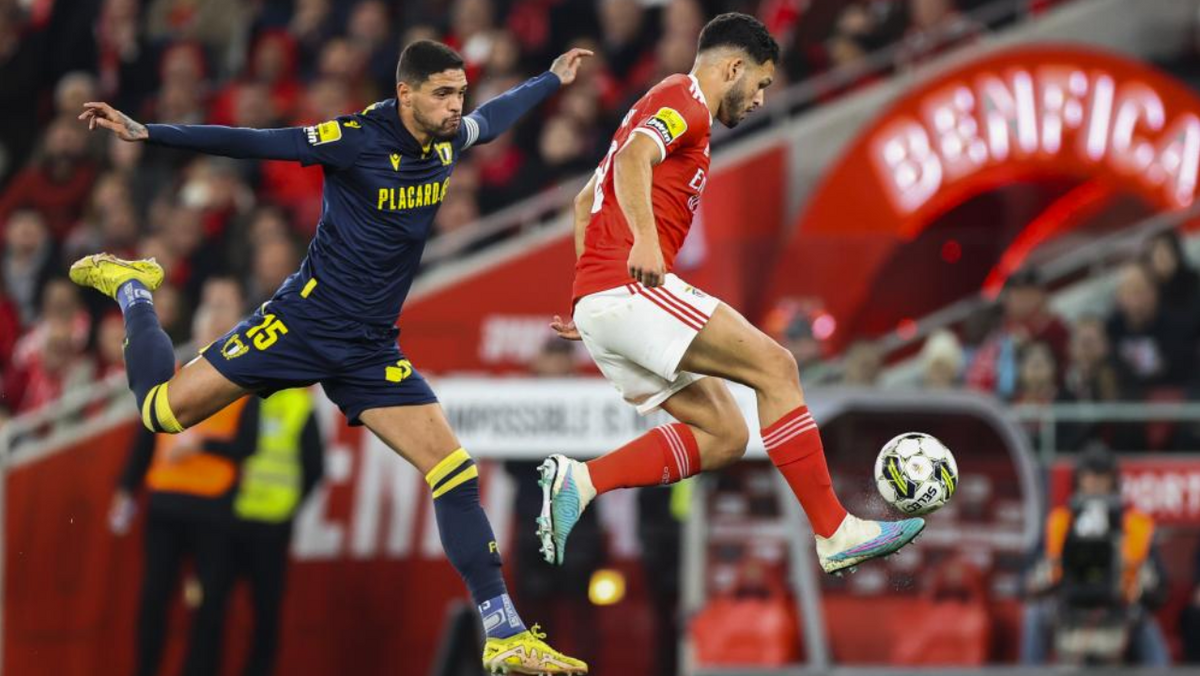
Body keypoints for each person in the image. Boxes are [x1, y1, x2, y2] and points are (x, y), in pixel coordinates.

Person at [75, 39, 592, 675]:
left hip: (369, 347)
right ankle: (133, 286)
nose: (458, 107)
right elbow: (261, 142)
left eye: (461, 92)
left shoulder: (449, 137)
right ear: (405, 94)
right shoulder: (356, 137)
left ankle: (504, 630)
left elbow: (498, 116)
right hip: (301, 324)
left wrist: (551, 78)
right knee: (160, 413)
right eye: (443, 94)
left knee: (453, 469)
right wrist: (149, 132)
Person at [540, 13, 922, 577]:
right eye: (762, 84)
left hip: (605, 300)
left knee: (725, 435)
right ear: (734, 67)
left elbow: (583, 203)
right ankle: (836, 531)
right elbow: (630, 161)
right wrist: (643, 241)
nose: (762, 98)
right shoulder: (685, 100)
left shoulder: (653, 104)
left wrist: (584, 295)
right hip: (631, 287)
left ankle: (583, 481)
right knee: (777, 366)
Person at [1020, 445, 1169, 666]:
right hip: (1068, 604)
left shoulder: (1134, 525)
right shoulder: (1060, 523)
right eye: (1089, 477)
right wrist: (1043, 576)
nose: (1095, 484)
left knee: (1146, 626)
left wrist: (1141, 582)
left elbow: (1160, 590)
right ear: (1079, 480)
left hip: (1118, 604)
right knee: (1035, 616)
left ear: (1113, 481)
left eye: (1102, 477)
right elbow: (1025, 581)